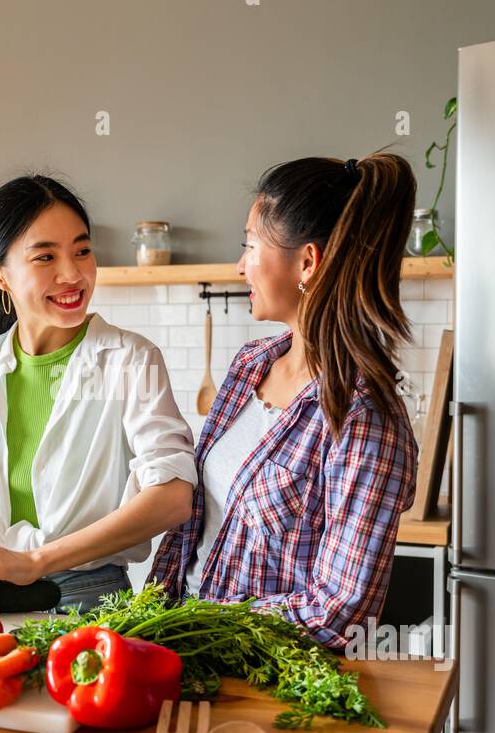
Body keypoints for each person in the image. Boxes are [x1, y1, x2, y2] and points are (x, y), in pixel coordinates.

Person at [148, 153, 419, 649]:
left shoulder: (363, 416)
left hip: (262, 677)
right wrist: (152, 626)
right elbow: (194, 527)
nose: (239, 265)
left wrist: (201, 629)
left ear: (307, 263)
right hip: (184, 656)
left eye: (249, 247)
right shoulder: (250, 365)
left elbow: (340, 610)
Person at [0, 175, 196, 612]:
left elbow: (173, 497)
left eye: (82, 250)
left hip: (92, 601)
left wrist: (35, 561)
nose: (73, 274)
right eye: (46, 256)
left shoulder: (131, 359)